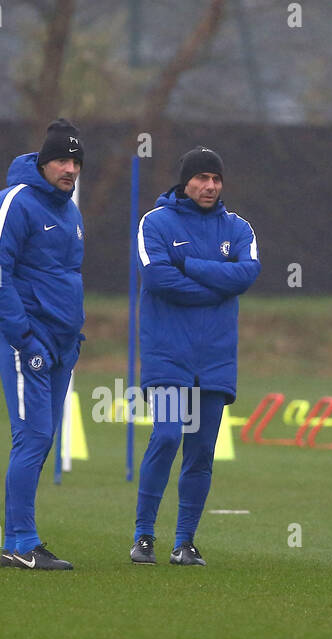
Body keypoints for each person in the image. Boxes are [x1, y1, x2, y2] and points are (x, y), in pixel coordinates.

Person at [131, 147, 260, 566]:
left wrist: (190, 264)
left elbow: (247, 273)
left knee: (202, 451)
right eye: (202, 178)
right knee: (167, 435)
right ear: (184, 182)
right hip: (168, 356)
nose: (209, 186)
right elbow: (156, 276)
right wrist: (216, 287)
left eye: (216, 179)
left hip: (215, 359)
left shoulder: (239, 227)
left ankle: (185, 542)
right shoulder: (156, 222)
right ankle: (144, 536)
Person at [0, 118, 86, 570]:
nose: (70, 169)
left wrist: (72, 337)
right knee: (34, 436)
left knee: (41, 440)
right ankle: (21, 544)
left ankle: (20, 541)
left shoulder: (70, 210)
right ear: (42, 163)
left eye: (76, 161)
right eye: (61, 159)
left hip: (62, 345)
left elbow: (65, 277)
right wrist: (23, 336)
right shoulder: (14, 203)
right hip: (27, 340)